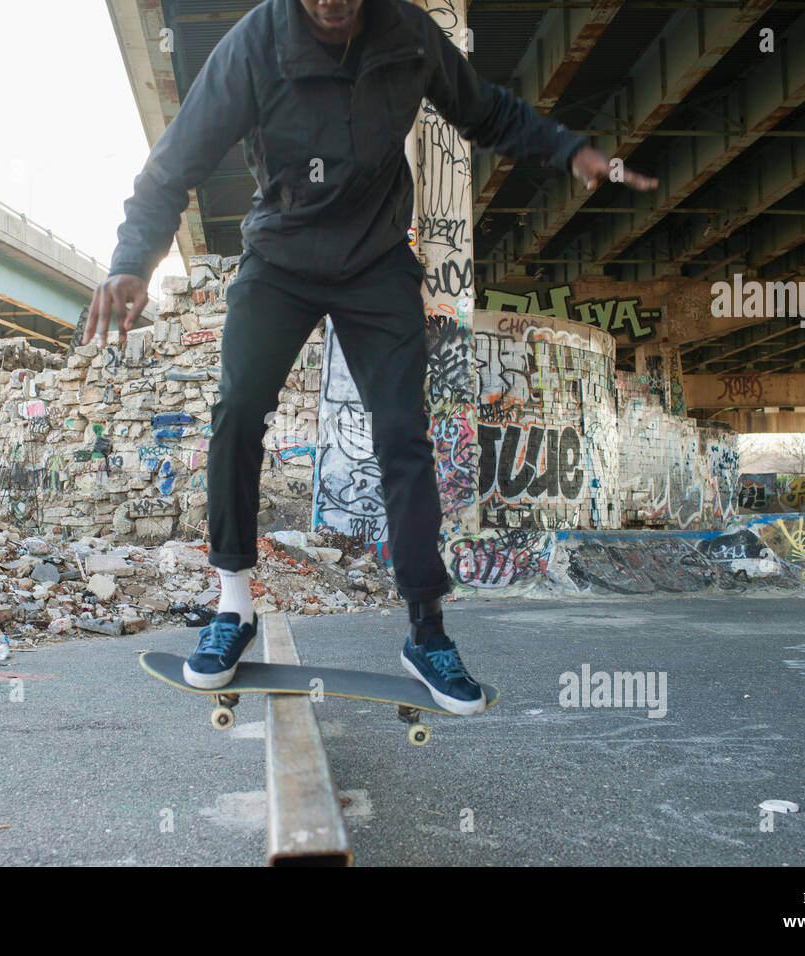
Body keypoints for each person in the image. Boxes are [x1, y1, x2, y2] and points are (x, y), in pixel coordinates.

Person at [82, 0, 658, 714]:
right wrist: (133, 260)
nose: (330, 3)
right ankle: (233, 605)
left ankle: (427, 630)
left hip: (376, 259)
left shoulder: (409, 34)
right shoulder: (254, 44)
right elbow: (174, 166)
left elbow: (487, 111)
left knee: (402, 435)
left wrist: (567, 147)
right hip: (281, 256)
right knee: (236, 411)